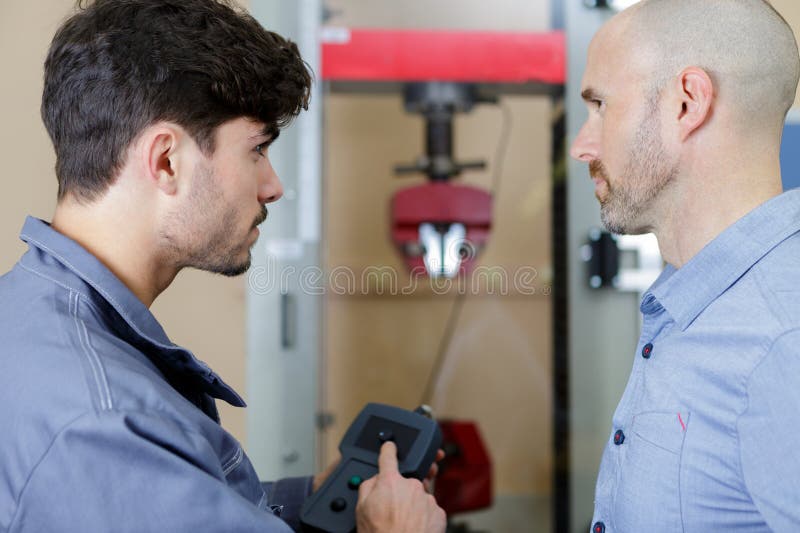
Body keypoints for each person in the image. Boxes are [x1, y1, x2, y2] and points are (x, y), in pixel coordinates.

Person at [0, 1, 446, 532]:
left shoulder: (29, 313)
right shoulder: (102, 427)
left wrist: (315, 498)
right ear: (166, 160)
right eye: (256, 150)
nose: (273, 186)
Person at [570, 0, 800, 531]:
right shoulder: (689, 298)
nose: (582, 146)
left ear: (686, 103)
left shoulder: (780, 339)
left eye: (601, 105)